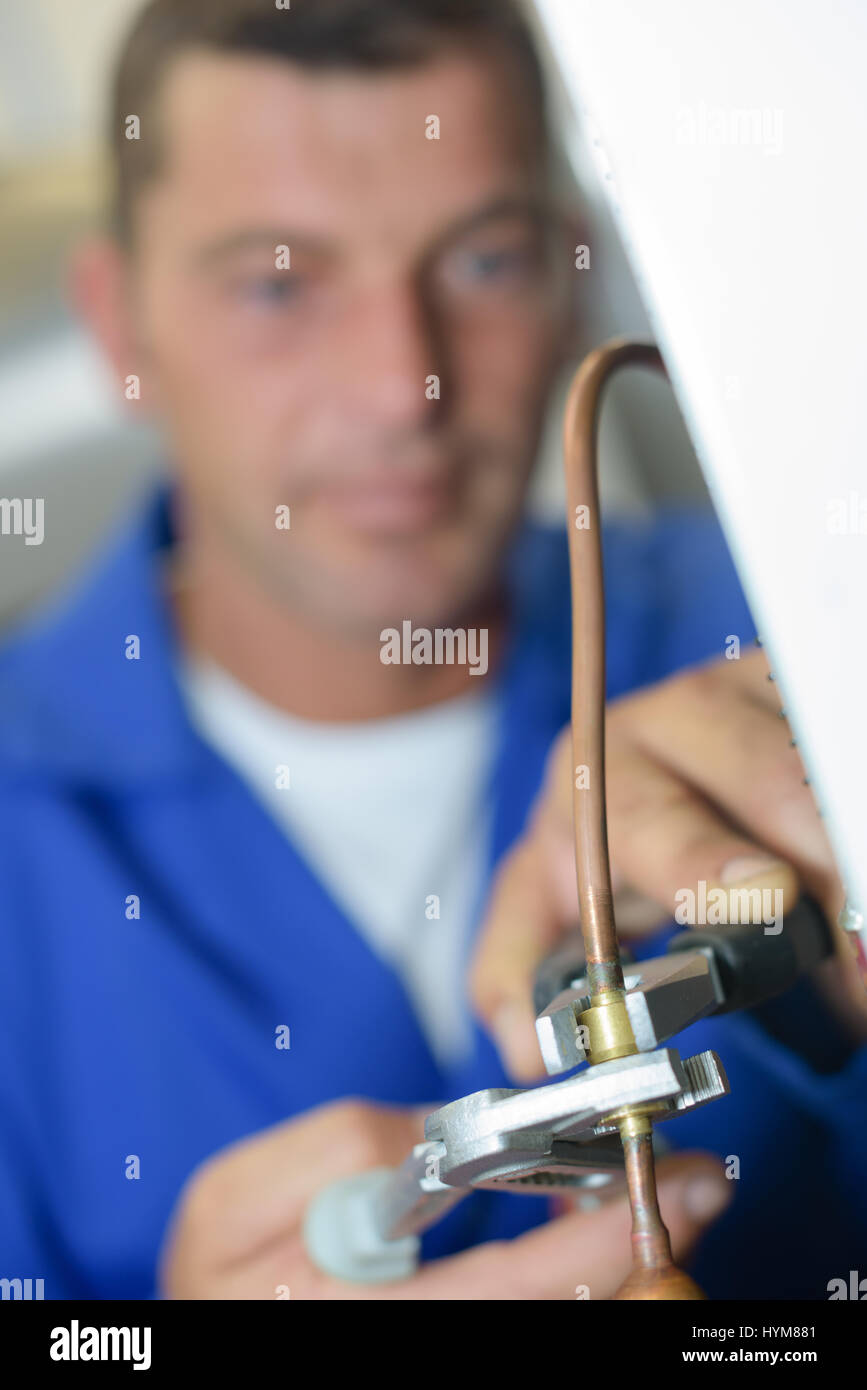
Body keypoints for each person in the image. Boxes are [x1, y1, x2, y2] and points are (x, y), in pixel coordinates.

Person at [1, 0, 864, 1301]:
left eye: (484, 262)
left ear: (576, 276)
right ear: (120, 327)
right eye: (278, 283)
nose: (404, 385)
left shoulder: (808, 621)